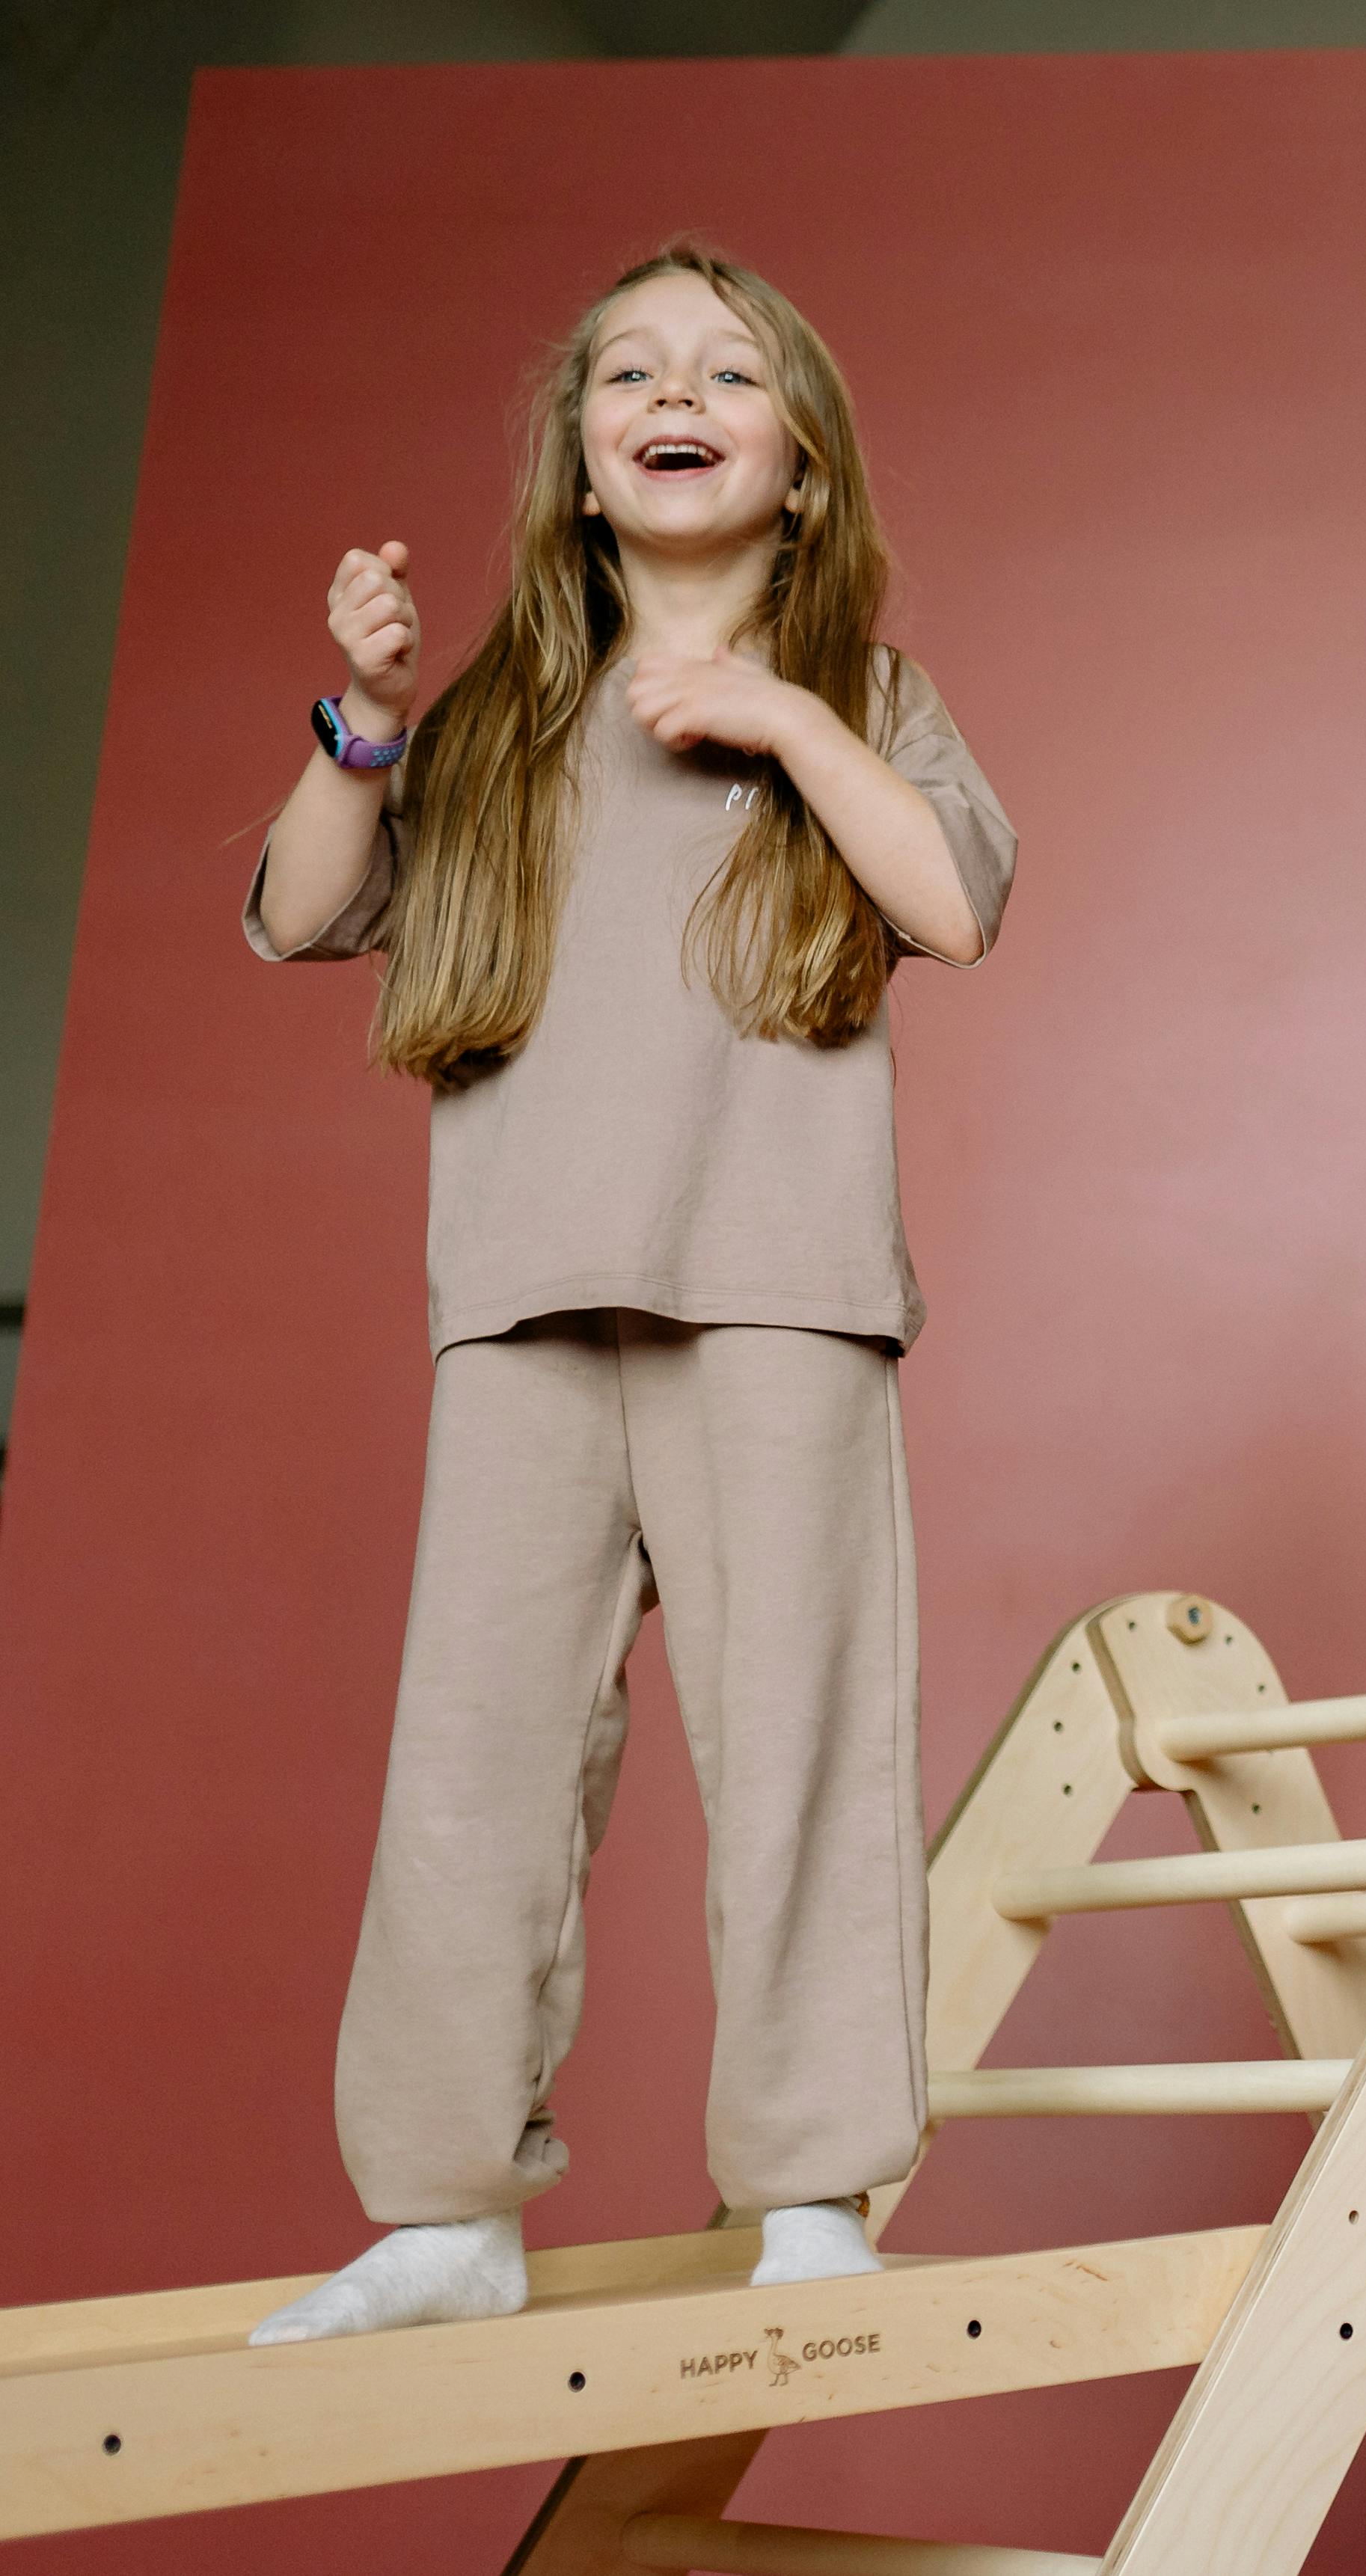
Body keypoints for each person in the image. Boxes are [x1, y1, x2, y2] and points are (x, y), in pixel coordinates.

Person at [241, 245, 1016, 2342]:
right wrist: (370, 721)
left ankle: (810, 2193)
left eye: (730, 371)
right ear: (584, 465)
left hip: (778, 1287)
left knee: (796, 1746)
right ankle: (442, 2209)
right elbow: (307, 913)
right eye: (627, 375)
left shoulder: (862, 693)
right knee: (473, 1755)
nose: (675, 392)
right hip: (514, 1295)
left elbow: (949, 898)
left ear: (800, 468)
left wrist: (774, 708)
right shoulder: (487, 712)